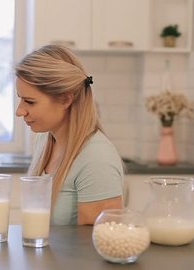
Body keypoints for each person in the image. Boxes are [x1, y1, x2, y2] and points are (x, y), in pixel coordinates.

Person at [15, 44, 124, 225]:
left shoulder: (96, 158)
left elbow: (93, 246)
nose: (19, 111)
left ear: (65, 99)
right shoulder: (45, 140)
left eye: (29, 102)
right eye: (20, 99)